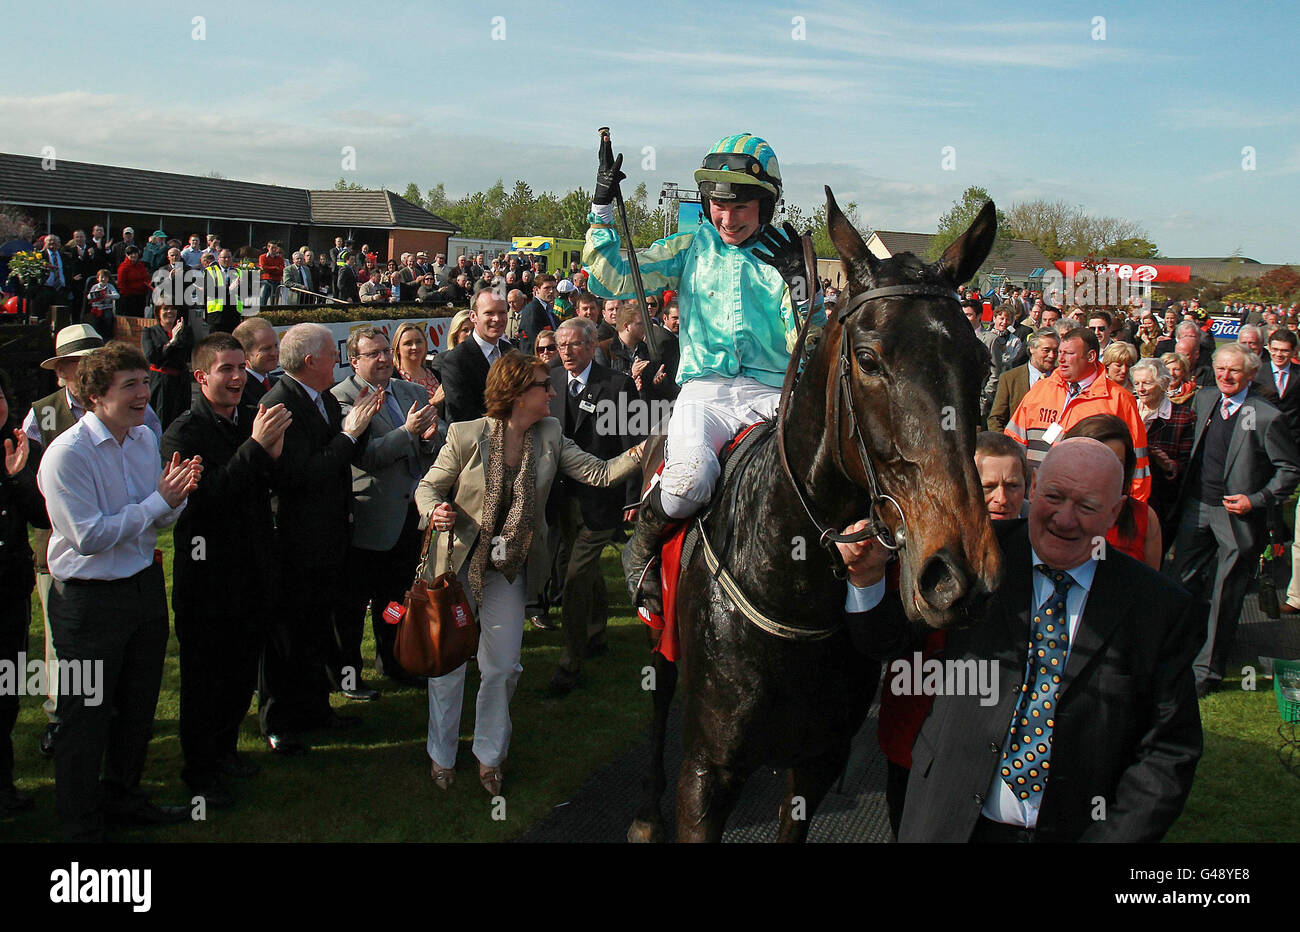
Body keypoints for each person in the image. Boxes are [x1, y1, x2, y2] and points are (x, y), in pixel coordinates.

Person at [889, 438, 1202, 842]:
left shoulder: (1158, 609)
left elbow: (1168, 749)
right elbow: (889, 641)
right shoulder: (975, 555)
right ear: (1034, 488)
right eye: (1054, 496)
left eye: (1087, 506)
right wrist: (864, 581)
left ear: (1115, 511)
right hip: (946, 822)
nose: (1065, 519)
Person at [583, 132, 819, 616]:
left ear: (766, 204)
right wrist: (603, 205)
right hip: (706, 393)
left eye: (740, 207)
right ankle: (641, 548)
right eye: (718, 205)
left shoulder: (791, 253)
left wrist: (801, 294)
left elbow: (809, 345)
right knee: (689, 481)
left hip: (773, 393)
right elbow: (610, 275)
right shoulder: (690, 245)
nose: (727, 219)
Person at [415, 352, 644, 794]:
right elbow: (427, 486)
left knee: (502, 667)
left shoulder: (550, 434)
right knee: (448, 666)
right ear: (519, 394)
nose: (554, 392)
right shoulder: (467, 435)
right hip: (458, 565)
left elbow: (598, 474)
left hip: (510, 567)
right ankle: (441, 754)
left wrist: (648, 448)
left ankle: (489, 755)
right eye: (545, 386)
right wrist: (435, 511)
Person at [38, 342, 203, 841]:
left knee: (137, 708)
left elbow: (154, 520)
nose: (143, 394)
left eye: (143, 382)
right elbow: (88, 536)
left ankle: (124, 798)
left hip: (142, 589)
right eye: (129, 385)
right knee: (85, 718)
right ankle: (79, 823)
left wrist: (174, 499)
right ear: (94, 396)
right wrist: (158, 502)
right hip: (88, 603)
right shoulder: (66, 454)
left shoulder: (143, 439)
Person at [161, 334, 291, 807]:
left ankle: (227, 751)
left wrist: (268, 455)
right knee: (205, 681)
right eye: (226, 370)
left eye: (241, 367)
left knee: (240, 674)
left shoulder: (246, 420)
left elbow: (268, 483)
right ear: (201, 377)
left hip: (253, 570)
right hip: (208, 578)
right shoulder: (184, 433)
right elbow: (209, 496)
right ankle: (200, 771)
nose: (238, 377)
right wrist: (258, 448)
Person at [257, 324, 383, 752]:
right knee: (286, 635)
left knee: (315, 629)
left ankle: (316, 709)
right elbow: (301, 475)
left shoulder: (322, 398)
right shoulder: (280, 403)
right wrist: (350, 432)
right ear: (311, 361)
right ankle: (279, 721)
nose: (341, 360)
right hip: (294, 541)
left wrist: (356, 429)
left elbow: (341, 454)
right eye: (335, 353)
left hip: (329, 533)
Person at [1168, 343, 1300, 696]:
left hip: (1236, 516)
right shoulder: (1205, 398)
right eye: (1221, 369)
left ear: (1251, 375)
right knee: (1182, 582)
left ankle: (1206, 672)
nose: (1226, 376)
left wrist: (1256, 500)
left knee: (1225, 593)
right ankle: (1178, 651)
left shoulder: (1267, 417)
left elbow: (1289, 470)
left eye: (1234, 371)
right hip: (1195, 508)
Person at [332, 327, 442, 693]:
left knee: (394, 600)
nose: (382, 359)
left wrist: (428, 438)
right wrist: (409, 431)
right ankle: (348, 676)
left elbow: (433, 446)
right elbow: (366, 456)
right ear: (354, 361)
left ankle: (394, 662)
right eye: (373, 354)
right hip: (368, 520)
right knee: (352, 608)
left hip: (410, 516)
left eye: (384, 352)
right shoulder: (343, 398)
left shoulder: (409, 391)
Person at [545, 319, 643, 694]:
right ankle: (597, 630)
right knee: (582, 571)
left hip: (602, 500)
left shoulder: (616, 385)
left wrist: (633, 498)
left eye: (573, 345)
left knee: (573, 580)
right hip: (562, 499)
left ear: (591, 346)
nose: (566, 351)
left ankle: (569, 662)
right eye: (561, 345)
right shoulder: (551, 381)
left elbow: (633, 444)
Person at [1005, 327, 1151, 502]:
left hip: (1085, 507)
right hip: (1034, 500)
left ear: (1090, 357)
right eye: (1060, 352)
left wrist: (1133, 508)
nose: (1060, 359)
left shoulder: (1119, 400)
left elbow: (1137, 463)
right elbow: (1013, 444)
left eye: (1069, 353)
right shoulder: (1041, 389)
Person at [0, 368, 48, 813]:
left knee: (5, 693)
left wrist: (17, 478)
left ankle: (4, 785)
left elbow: (41, 516)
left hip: (9, 590)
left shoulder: (19, 447)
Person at [1064, 415, 1163, 569]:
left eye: (1113, 463)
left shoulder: (1144, 518)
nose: (1099, 472)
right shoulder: (1050, 512)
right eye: (1091, 461)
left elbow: (1151, 586)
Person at [1132, 357, 1195, 540]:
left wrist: (1169, 465)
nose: (1141, 389)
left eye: (1147, 383)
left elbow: (1187, 463)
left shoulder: (1182, 416)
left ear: (1164, 383)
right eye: (1137, 383)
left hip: (1161, 497)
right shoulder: (1129, 409)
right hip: (1130, 492)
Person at [439, 291, 516, 423]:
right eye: (489, 313)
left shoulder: (512, 352)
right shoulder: (456, 360)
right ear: (473, 316)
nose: (497, 319)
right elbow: (462, 416)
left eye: (502, 312)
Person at [987, 328, 1057, 432]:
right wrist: (1006, 445)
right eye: (1046, 350)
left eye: (1055, 351)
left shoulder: (1063, 379)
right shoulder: (1010, 378)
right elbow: (996, 419)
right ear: (1032, 349)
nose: (1052, 356)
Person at [141, 303, 194, 430]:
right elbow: (152, 356)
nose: (169, 312)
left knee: (180, 419)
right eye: (166, 309)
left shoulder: (185, 331)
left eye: (173, 308)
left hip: (180, 383)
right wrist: (172, 342)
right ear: (158, 312)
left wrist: (166, 350)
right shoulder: (149, 331)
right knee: (159, 420)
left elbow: (186, 356)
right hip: (160, 383)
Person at [232, 317, 281, 409]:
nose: (274, 353)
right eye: (266, 349)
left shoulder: (277, 383)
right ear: (244, 354)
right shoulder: (239, 389)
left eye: (276, 346)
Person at [519, 274, 560, 353]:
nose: (551, 291)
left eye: (553, 287)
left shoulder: (548, 309)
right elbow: (535, 340)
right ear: (536, 289)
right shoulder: (533, 310)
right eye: (547, 288)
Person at [83, 269, 119, 342]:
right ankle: (96, 337)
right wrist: (96, 294)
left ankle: (107, 337)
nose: (103, 279)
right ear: (97, 278)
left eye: (106, 277)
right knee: (95, 322)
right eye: (102, 277)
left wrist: (108, 295)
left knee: (108, 317)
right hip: (96, 308)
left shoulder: (110, 286)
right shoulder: (95, 286)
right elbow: (89, 296)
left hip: (107, 307)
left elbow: (117, 295)